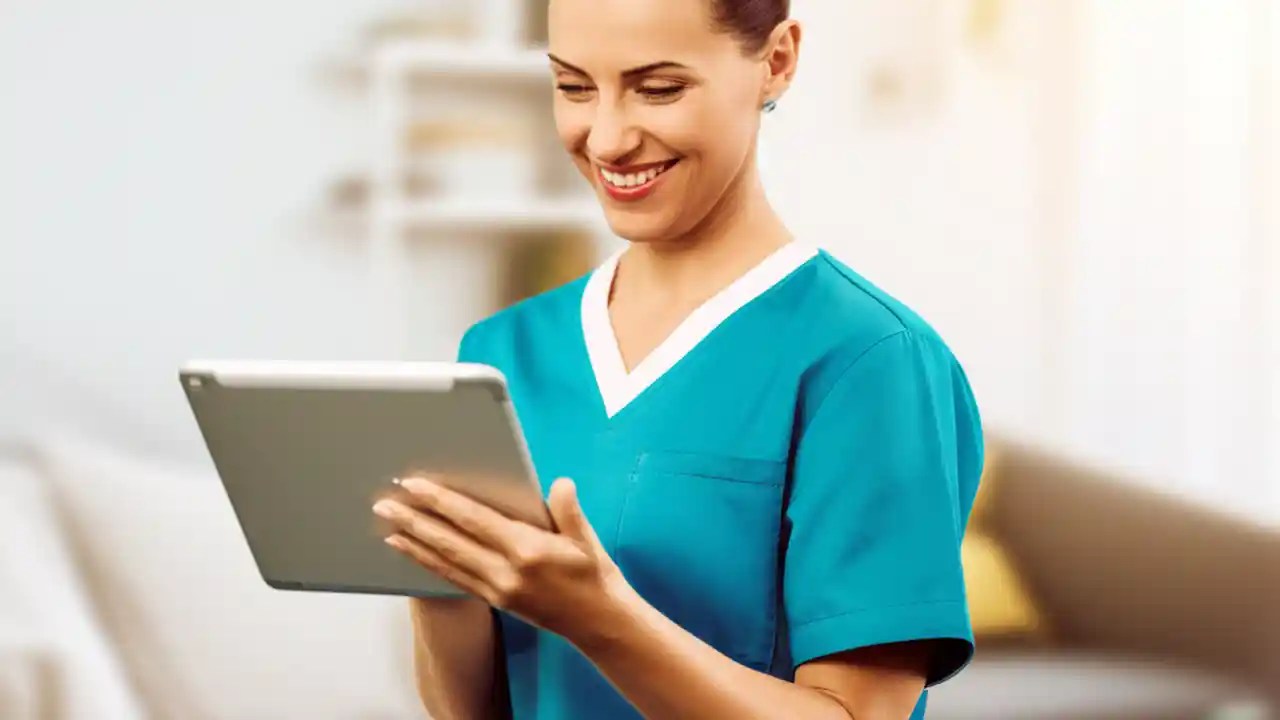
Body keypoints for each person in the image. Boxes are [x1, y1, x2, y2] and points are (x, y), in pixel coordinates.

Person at [370, 0, 984, 717]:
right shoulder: (499, 354)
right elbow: (474, 710)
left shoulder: (872, 362)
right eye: (573, 86)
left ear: (777, 60)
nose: (606, 139)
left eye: (658, 89)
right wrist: (433, 574)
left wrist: (599, 617)